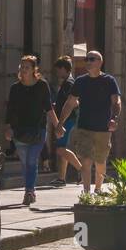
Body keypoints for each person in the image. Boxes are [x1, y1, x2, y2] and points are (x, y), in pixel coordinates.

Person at [56, 50, 121, 196]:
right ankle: (86, 193)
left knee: (100, 162)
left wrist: (115, 118)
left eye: (92, 59)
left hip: (103, 129)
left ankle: (98, 189)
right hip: (84, 127)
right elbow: (70, 102)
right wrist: (60, 123)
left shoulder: (109, 81)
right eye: (87, 59)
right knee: (85, 160)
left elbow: (116, 101)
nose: (88, 62)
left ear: (100, 62)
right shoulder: (80, 81)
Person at [5, 56, 61, 206]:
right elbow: (10, 110)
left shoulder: (42, 85)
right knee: (25, 163)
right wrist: (8, 128)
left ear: (34, 69)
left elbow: (49, 107)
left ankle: (29, 191)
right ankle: (30, 189)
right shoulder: (15, 88)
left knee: (31, 161)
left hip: (38, 130)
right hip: (19, 131)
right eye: (21, 67)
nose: (23, 70)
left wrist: (57, 125)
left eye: (27, 67)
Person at [48, 55, 81, 184]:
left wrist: (60, 122)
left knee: (60, 149)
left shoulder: (69, 84)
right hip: (67, 119)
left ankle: (82, 169)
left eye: (58, 69)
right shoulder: (68, 83)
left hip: (67, 120)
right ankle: (62, 178)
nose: (57, 72)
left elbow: (74, 102)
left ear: (64, 69)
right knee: (62, 150)